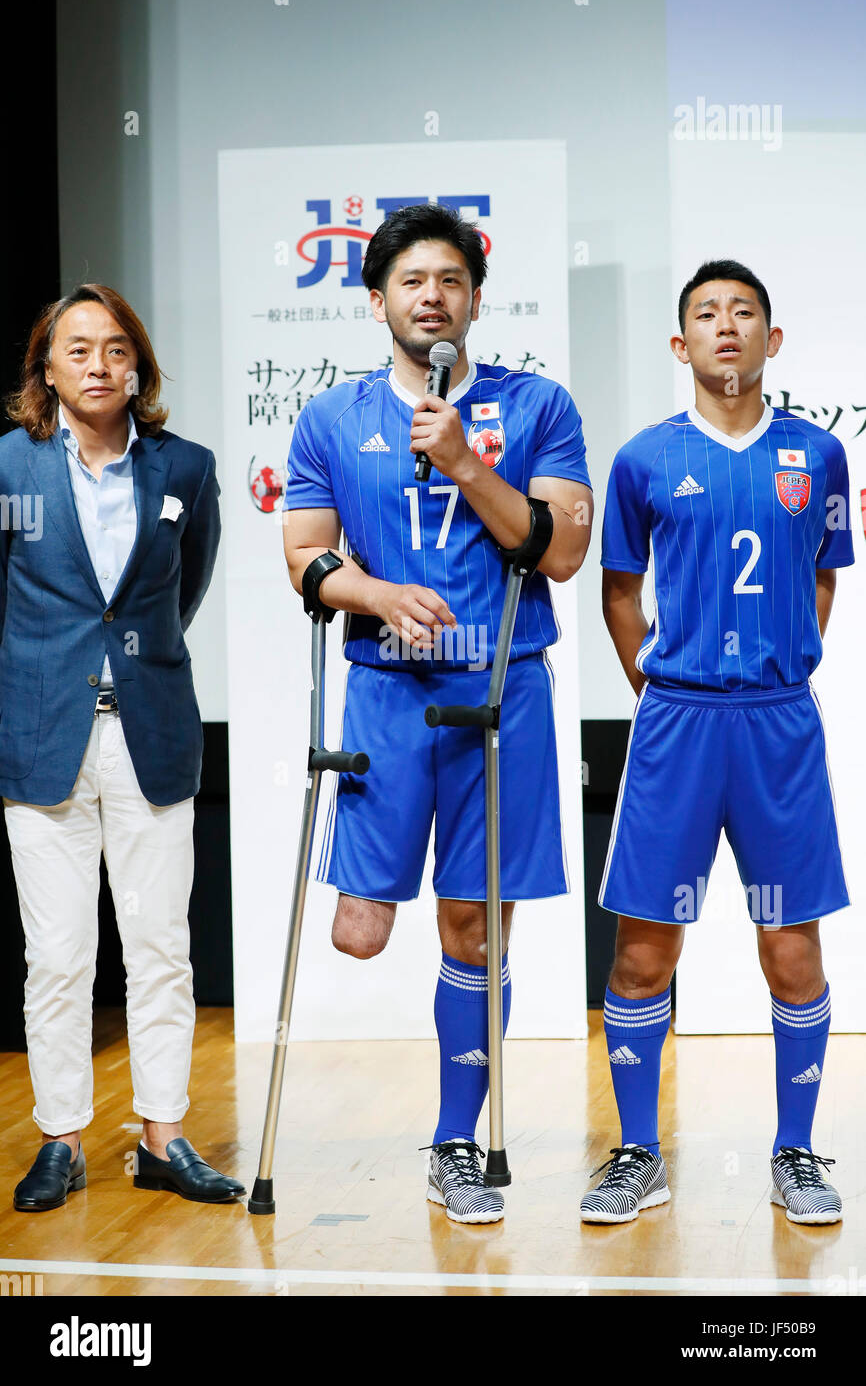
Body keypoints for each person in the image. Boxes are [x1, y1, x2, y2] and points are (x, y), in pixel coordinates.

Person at [282, 203, 592, 1223]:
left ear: (473, 297)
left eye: (449, 281)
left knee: (473, 928)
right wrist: (373, 596)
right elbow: (305, 557)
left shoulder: (537, 405)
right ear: (377, 300)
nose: (432, 296)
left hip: (497, 693)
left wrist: (467, 462)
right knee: (360, 933)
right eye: (412, 281)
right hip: (382, 692)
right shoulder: (330, 419)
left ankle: (455, 1139)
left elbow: (556, 552)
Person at [582, 260, 852, 1226]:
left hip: (779, 725)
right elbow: (619, 593)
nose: (725, 327)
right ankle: (637, 1153)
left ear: (772, 341)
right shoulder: (645, 460)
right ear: (679, 345)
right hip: (679, 725)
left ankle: (795, 1151)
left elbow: (825, 575)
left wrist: (787, 660)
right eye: (705, 314)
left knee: (791, 949)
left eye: (744, 314)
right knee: (644, 952)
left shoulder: (817, 456)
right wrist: (660, 691)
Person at [2, 284, 244, 1209]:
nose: (99, 365)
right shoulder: (9, 470)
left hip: (150, 731)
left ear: (137, 364)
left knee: (159, 946)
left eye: (115, 349)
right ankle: (60, 1139)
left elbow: (181, 592)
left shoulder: (185, 468)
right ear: (47, 370)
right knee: (58, 955)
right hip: (40, 738)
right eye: (78, 350)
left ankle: (163, 1137)